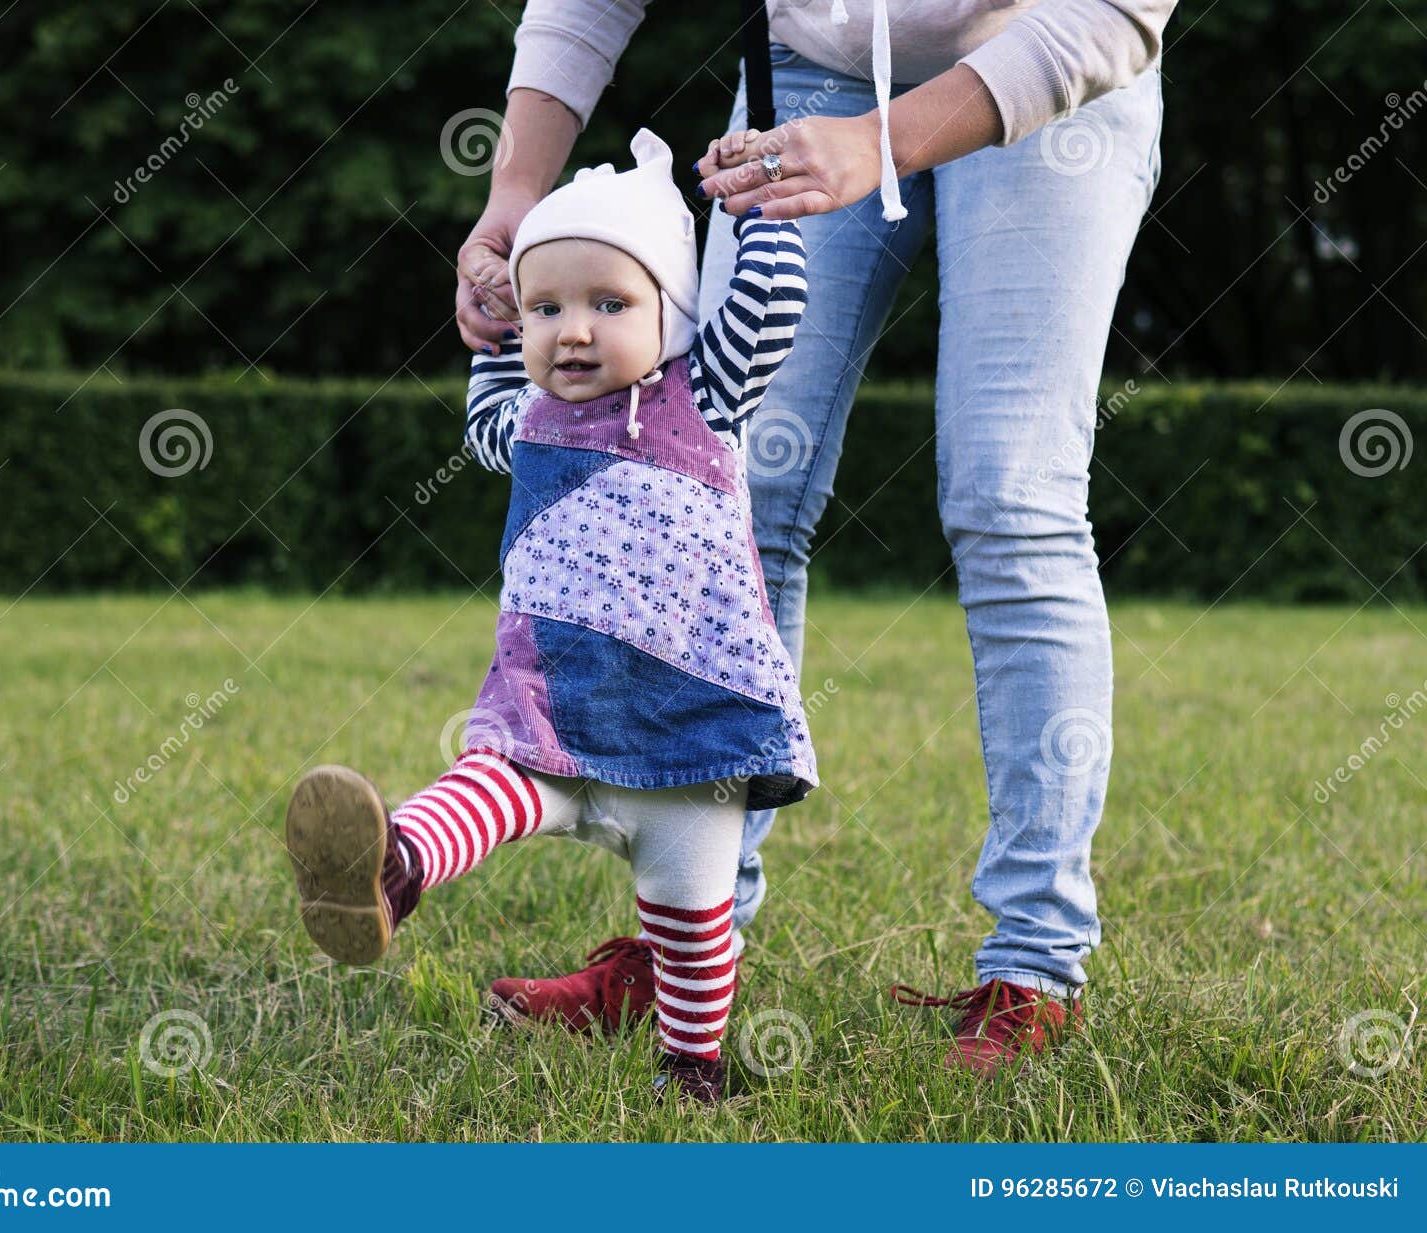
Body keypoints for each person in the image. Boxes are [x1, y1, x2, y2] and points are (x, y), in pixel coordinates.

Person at [459, 0, 1174, 1079]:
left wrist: (881, 143)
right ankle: (691, 937)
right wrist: (516, 193)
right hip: (806, 79)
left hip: (1044, 76)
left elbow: (1114, 10)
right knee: (729, 489)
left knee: (1010, 502)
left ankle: (1033, 964)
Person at [286, 127, 816, 1102]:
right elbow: (491, 371)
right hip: (554, 707)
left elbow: (772, 304)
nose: (572, 330)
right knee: (485, 779)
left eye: (608, 305)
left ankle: (691, 1068)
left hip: (693, 722)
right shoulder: (523, 418)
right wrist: (491, 314)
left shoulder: (706, 392)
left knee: (691, 910)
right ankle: (390, 868)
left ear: (675, 313)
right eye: (546, 308)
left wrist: (756, 210)